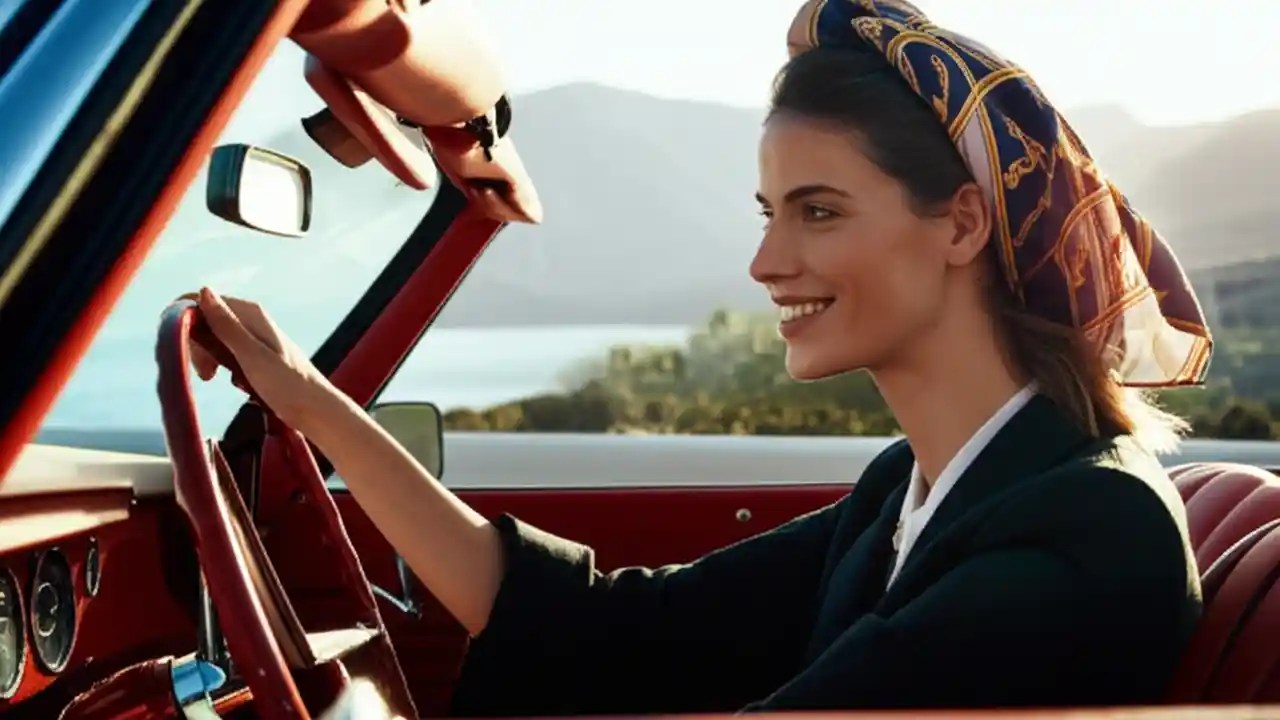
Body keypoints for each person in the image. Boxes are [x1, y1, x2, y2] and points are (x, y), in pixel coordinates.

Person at [189, 0, 1212, 713]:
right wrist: (311, 402)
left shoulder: (1082, 527)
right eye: (769, 214)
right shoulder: (914, 486)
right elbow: (617, 629)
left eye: (817, 212)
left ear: (958, 225)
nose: (767, 263)